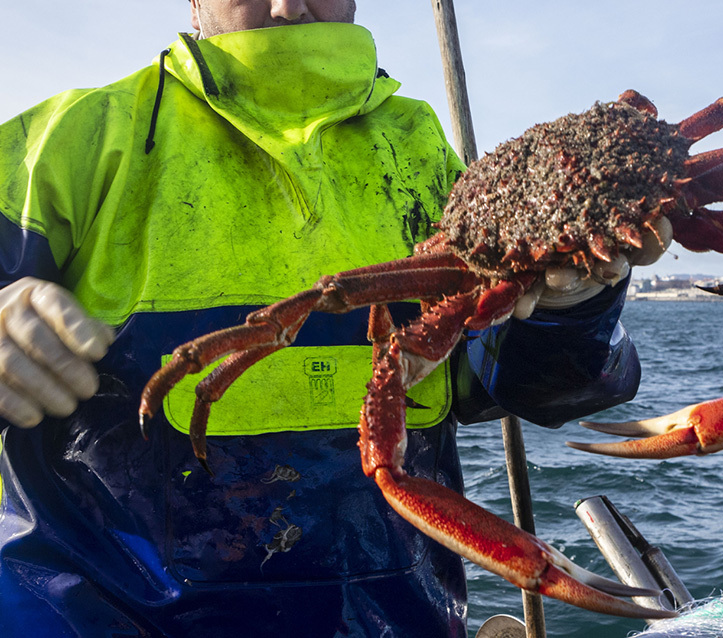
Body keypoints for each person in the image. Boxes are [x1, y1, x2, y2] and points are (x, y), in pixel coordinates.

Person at [0, 1, 657, 635]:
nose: (288, 6)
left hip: (400, 618)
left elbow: (497, 382)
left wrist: (575, 307)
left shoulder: (426, 151)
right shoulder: (66, 143)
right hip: (84, 618)